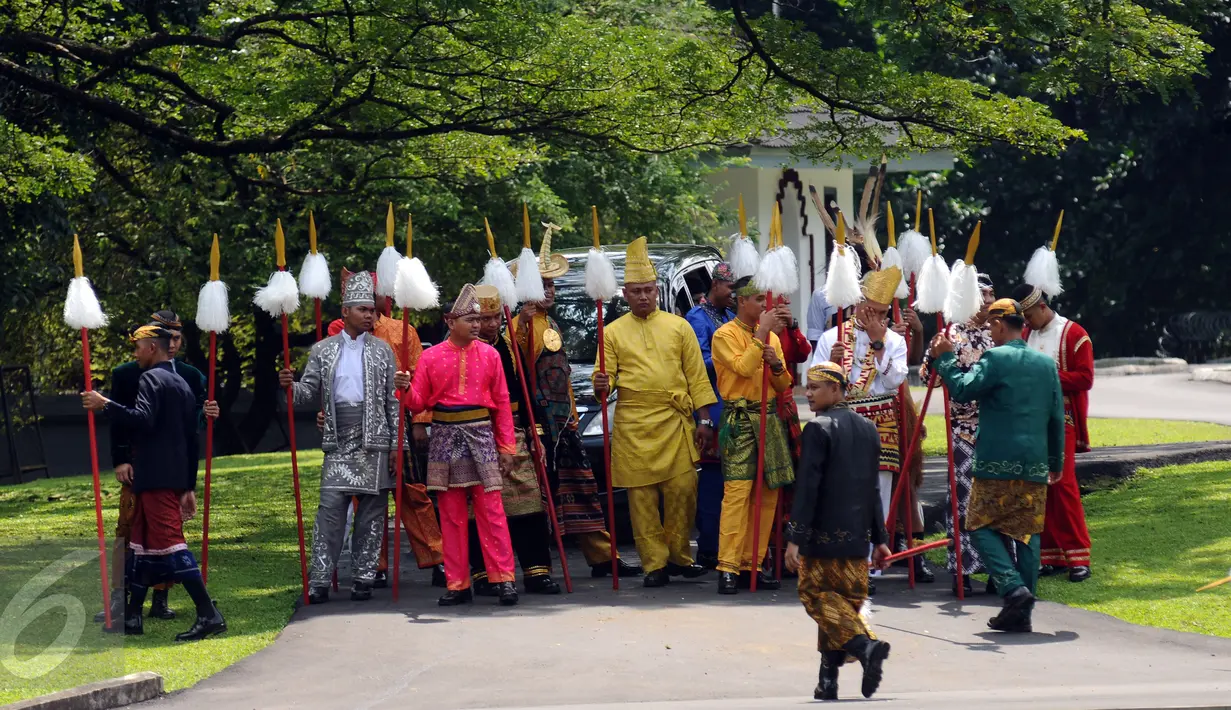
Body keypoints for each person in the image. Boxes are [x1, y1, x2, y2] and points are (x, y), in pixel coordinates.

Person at [929, 298, 1066, 633]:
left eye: (991, 325)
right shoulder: (1046, 364)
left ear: (1002, 325)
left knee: (977, 524)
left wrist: (945, 358)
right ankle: (1023, 609)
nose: (989, 330)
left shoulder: (994, 357)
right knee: (1028, 533)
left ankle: (1012, 588)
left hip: (995, 461)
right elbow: (1055, 417)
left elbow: (961, 390)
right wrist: (1055, 461)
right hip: (1034, 462)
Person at [81, 324, 225, 640]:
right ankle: (132, 616)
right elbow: (192, 440)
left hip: (155, 476)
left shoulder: (150, 379)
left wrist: (104, 404)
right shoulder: (182, 384)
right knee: (142, 544)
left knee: (172, 543)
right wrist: (187, 485)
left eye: (138, 347)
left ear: (150, 348)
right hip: (164, 477)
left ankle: (208, 613)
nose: (135, 354)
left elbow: (142, 418)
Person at [513, 227, 640, 579]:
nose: (549, 291)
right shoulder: (519, 326)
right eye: (542, 285)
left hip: (565, 422)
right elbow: (518, 367)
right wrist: (520, 324)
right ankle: (537, 567)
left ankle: (602, 556)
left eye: (552, 286)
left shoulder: (550, 321)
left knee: (582, 490)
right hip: (539, 424)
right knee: (541, 496)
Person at [593, 237, 717, 587]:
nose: (644, 296)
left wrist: (705, 420)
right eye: (636, 291)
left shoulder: (680, 327)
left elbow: (697, 377)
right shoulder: (612, 332)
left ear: (657, 292)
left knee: (683, 488)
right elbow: (607, 379)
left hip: (675, 420)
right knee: (641, 500)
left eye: (649, 289)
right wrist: (602, 383)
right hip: (633, 423)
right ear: (626, 294)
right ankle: (654, 564)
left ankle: (679, 555)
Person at [280, 271, 408, 604]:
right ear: (346, 311)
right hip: (338, 441)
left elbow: (393, 401)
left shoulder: (383, 351)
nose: (370, 315)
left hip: (375, 440)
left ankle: (364, 577)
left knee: (372, 513)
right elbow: (307, 394)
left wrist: (398, 446)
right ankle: (320, 579)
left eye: (372, 309)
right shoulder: (322, 350)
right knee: (330, 511)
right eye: (363, 309)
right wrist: (289, 386)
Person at [400, 284, 519, 606]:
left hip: (481, 434)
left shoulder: (491, 354)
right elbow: (418, 402)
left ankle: (504, 579)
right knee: (451, 515)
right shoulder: (430, 357)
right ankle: (457, 583)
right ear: (450, 321)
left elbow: (503, 404)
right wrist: (404, 388)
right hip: (444, 436)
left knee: (492, 511)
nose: (477, 325)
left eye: (479, 319)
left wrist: (507, 447)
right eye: (470, 319)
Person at [326, 269, 446, 589]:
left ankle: (437, 559)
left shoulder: (402, 330)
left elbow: (421, 378)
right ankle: (373, 563)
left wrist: (420, 422)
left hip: (398, 420)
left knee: (413, 493)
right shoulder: (339, 331)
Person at [809, 267, 923, 590]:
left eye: (883, 312)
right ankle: (845, 560)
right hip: (843, 424)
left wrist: (877, 344)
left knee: (880, 495)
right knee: (842, 492)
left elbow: (894, 380)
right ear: (859, 303)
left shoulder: (895, 341)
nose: (876, 316)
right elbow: (815, 384)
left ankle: (871, 567)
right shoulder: (833, 337)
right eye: (871, 309)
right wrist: (829, 365)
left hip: (880, 425)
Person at [786, 362, 892, 701]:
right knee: (841, 607)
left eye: (815, 387)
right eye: (807, 387)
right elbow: (873, 489)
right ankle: (827, 682)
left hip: (823, 537)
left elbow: (808, 489)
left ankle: (865, 646)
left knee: (817, 597)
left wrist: (795, 538)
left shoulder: (818, 428)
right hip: (858, 538)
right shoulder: (868, 428)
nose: (808, 394)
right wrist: (881, 539)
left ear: (836, 390)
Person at [469, 285, 560, 595]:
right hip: (474, 431)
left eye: (496, 317)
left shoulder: (509, 347)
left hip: (515, 429)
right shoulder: (460, 349)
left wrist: (536, 433)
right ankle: (483, 574)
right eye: (484, 318)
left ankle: (536, 571)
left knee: (529, 498)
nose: (492, 324)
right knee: (477, 505)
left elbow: (525, 390)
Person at [711, 276, 795, 594]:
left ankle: (752, 564)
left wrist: (775, 366)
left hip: (769, 419)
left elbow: (784, 385)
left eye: (765, 300)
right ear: (742, 301)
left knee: (768, 495)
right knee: (737, 493)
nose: (764, 305)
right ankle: (728, 567)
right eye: (759, 300)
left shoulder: (771, 339)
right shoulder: (724, 335)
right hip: (740, 420)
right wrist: (761, 335)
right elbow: (744, 369)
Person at [920, 274, 996, 596]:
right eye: (983, 296)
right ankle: (962, 569)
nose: (990, 302)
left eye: (992, 295)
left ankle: (998, 571)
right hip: (963, 431)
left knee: (997, 501)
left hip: (996, 429)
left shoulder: (999, 333)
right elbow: (928, 379)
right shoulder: (950, 334)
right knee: (963, 503)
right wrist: (940, 356)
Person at [1013, 284, 1094, 582]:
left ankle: (1078, 556)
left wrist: (1046, 375)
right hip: (1031, 421)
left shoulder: (1074, 333)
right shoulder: (1026, 335)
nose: (1027, 322)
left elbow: (1085, 378)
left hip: (1063, 420)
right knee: (1038, 487)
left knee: (1064, 485)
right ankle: (1049, 555)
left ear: (1043, 308)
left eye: (1030, 316)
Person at [684, 262, 737, 569]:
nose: (733, 294)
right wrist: (733, 355)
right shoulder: (697, 317)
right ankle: (708, 548)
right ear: (715, 286)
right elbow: (698, 361)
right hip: (711, 407)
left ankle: (730, 546)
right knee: (713, 482)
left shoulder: (729, 315)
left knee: (735, 483)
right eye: (730, 288)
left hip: (732, 406)